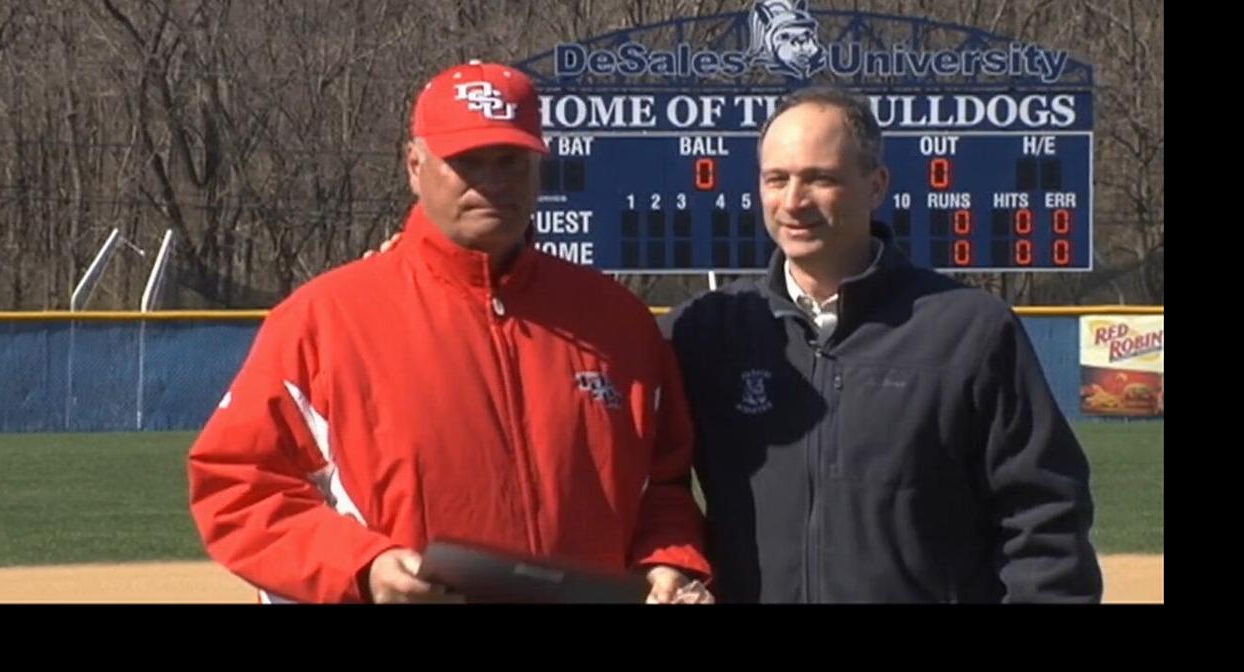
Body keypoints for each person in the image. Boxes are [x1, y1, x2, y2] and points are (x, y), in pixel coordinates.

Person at [188, 60, 711, 604]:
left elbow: (664, 487)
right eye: (466, 162)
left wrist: (666, 563)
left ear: (539, 167)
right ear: (415, 165)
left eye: (510, 160)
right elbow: (239, 485)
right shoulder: (324, 319)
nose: (491, 183)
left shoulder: (616, 321)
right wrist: (362, 566)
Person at [660, 86, 1104, 603]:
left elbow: (1044, 523)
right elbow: (643, 486)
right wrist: (671, 566)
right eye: (776, 179)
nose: (794, 201)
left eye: (821, 178)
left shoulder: (970, 331)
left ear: (876, 186)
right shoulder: (705, 331)